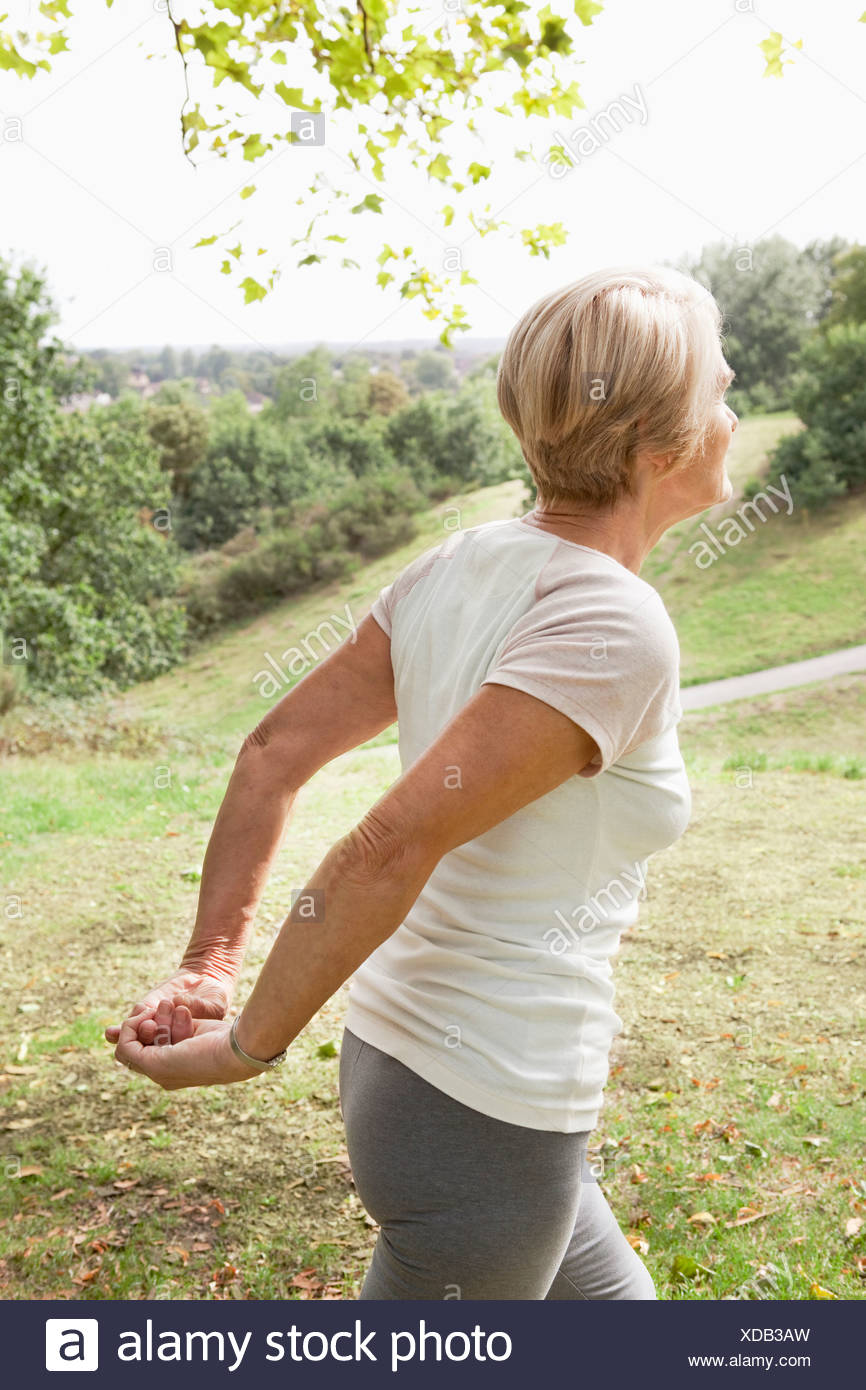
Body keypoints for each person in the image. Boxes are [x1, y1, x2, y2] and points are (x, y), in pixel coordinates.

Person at [106, 265, 738, 1300]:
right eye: (718, 391)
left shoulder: (458, 563)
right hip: (482, 1104)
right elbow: (384, 848)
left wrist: (211, 957)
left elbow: (269, 755)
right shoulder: (614, 623)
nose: (732, 412)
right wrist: (240, 1044)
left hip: (423, 1070)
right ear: (653, 448)